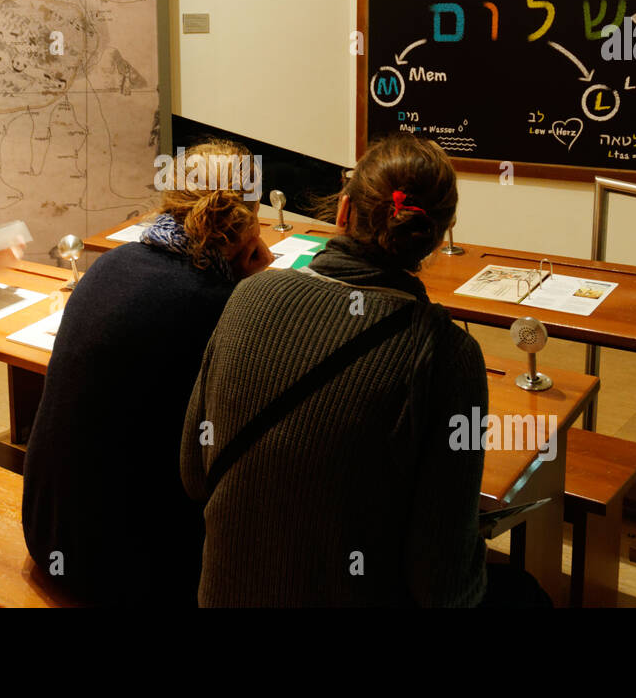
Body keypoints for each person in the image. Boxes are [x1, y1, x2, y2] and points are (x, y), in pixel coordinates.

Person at [181, 133, 550, 607]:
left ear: (342, 211)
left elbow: (193, 473)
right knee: (528, 595)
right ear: (438, 237)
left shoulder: (249, 296)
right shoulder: (446, 354)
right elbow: (443, 586)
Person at [22, 140, 274, 606]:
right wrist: (254, 289)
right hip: (134, 568)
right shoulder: (222, 304)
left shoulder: (110, 265)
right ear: (250, 220)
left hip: (46, 528)